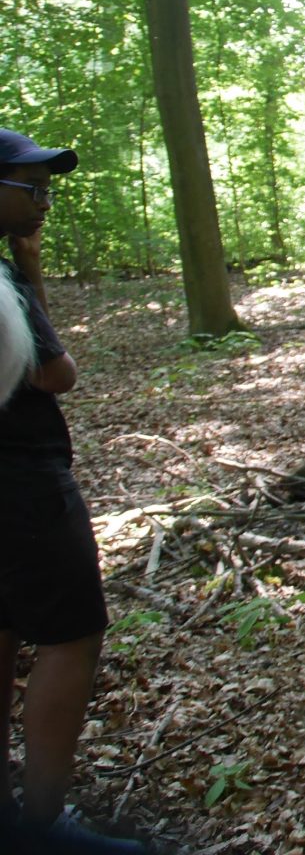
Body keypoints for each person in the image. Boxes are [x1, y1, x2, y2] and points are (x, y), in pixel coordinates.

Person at [0, 129, 145, 852]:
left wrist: (28, 270)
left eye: (47, 189)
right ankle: (43, 824)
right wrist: (27, 278)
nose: (44, 202)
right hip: (22, 484)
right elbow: (56, 372)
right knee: (71, 637)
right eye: (31, 188)